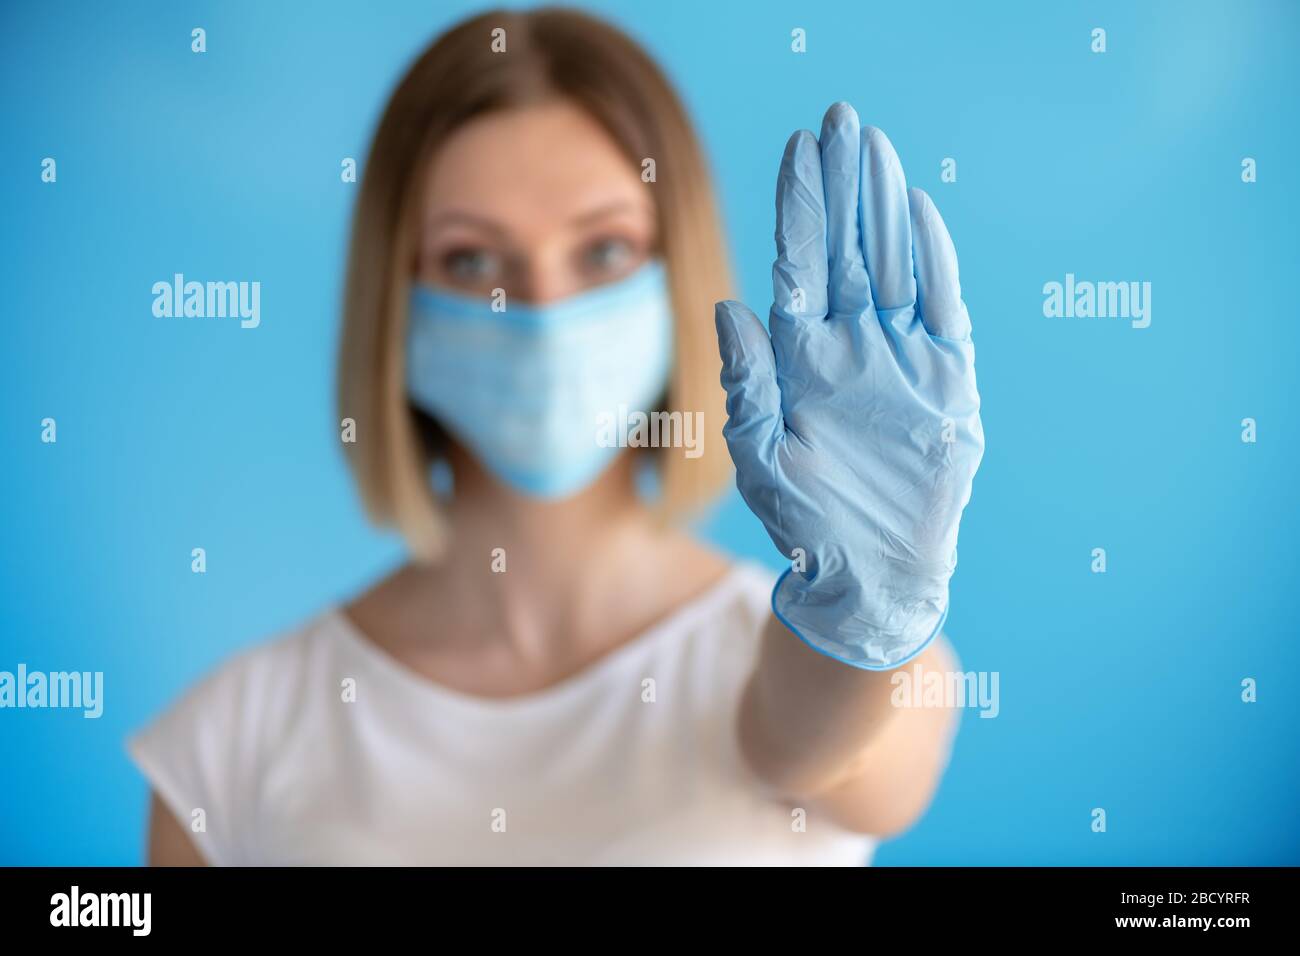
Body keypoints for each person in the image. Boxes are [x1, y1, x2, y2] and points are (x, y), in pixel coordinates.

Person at [127, 6, 982, 866]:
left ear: (672, 271)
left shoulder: (840, 664)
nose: (538, 306)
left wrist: (859, 622)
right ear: (395, 296)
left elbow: (807, 739)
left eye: (603, 251)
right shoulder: (226, 751)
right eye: (471, 259)